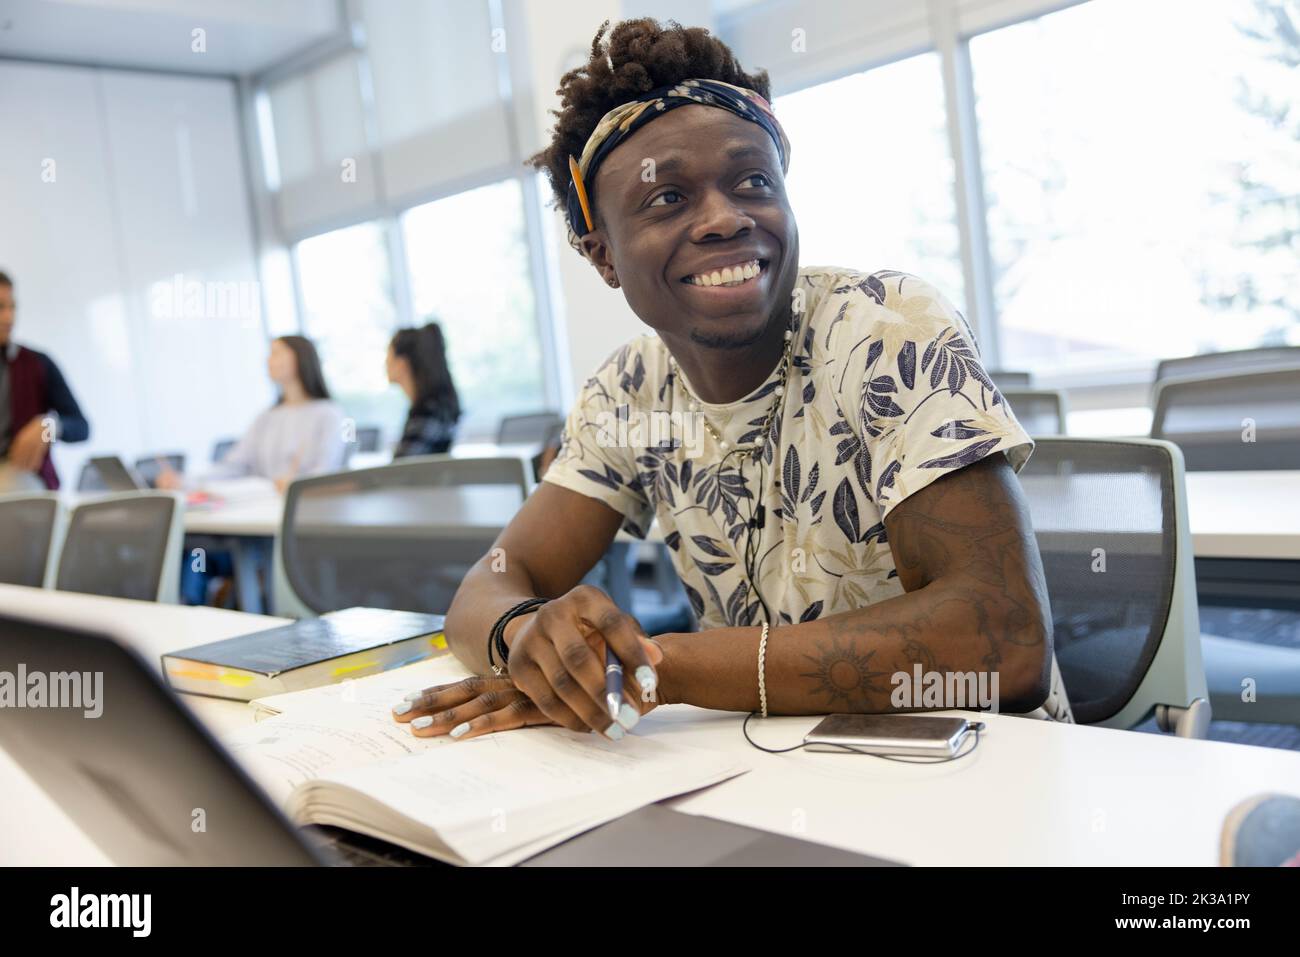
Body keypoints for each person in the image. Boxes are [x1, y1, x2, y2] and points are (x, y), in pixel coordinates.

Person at [394, 19, 1072, 743]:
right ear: (604, 258)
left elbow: (1005, 639)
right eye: (668, 198)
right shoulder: (628, 391)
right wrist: (528, 638)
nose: (724, 218)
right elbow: (491, 583)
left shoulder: (886, 327)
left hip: (980, 766)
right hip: (769, 767)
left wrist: (655, 666)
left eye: (752, 180)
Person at [158, 335, 346, 495]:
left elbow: (329, 471)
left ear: (300, 358)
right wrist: (186, 481)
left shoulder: (329, 414)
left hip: (305, 508)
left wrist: (296, 484)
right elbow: (234, 464)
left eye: (276, 353)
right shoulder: (267, 417)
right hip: (263, 508)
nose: (268, 361)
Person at [0, 270, 90, 492]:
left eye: (12, 307)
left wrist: (49, 426)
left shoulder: (37, 363)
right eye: (0, 308)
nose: (9, 317)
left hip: (21, 476)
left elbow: (81, 426)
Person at [386, 322, 461, 456]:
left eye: (389, 356)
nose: (385, 363)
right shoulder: (436, 409)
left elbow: (399, 471)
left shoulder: (425, 415)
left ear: (402, 363)